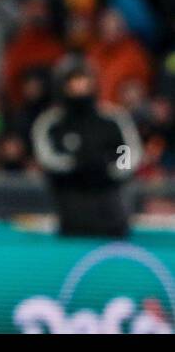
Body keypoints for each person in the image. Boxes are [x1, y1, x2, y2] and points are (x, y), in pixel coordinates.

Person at [32, 56, 142, 237]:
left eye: (83, 79)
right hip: (70, 212)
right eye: (73, 80)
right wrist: (77, 164)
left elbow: (131, 155)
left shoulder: (113, 119)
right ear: (63, 85)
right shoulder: (51, 123)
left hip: (111, 212)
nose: (79, 85)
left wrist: (108, 169)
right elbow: (46, 157)